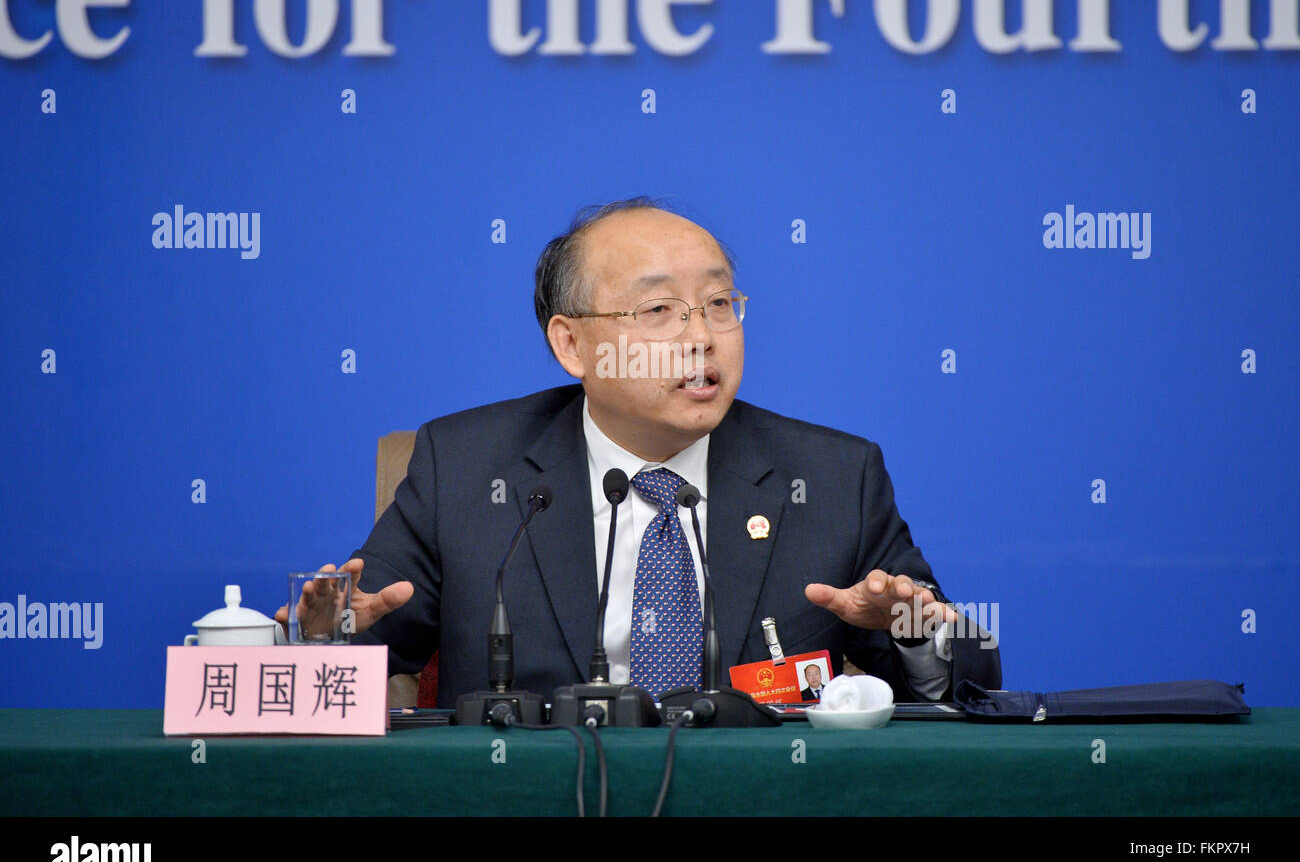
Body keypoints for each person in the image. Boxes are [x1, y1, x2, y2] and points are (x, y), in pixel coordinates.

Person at [285, 198, 1001, 706]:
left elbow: (970, 681)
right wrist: (325, 638)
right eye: (659, 310)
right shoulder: (467, 467)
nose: (703, 335)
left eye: (720, 304)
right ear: (572, 344)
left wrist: (915, 629)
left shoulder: (833, 476)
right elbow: (365, 650)